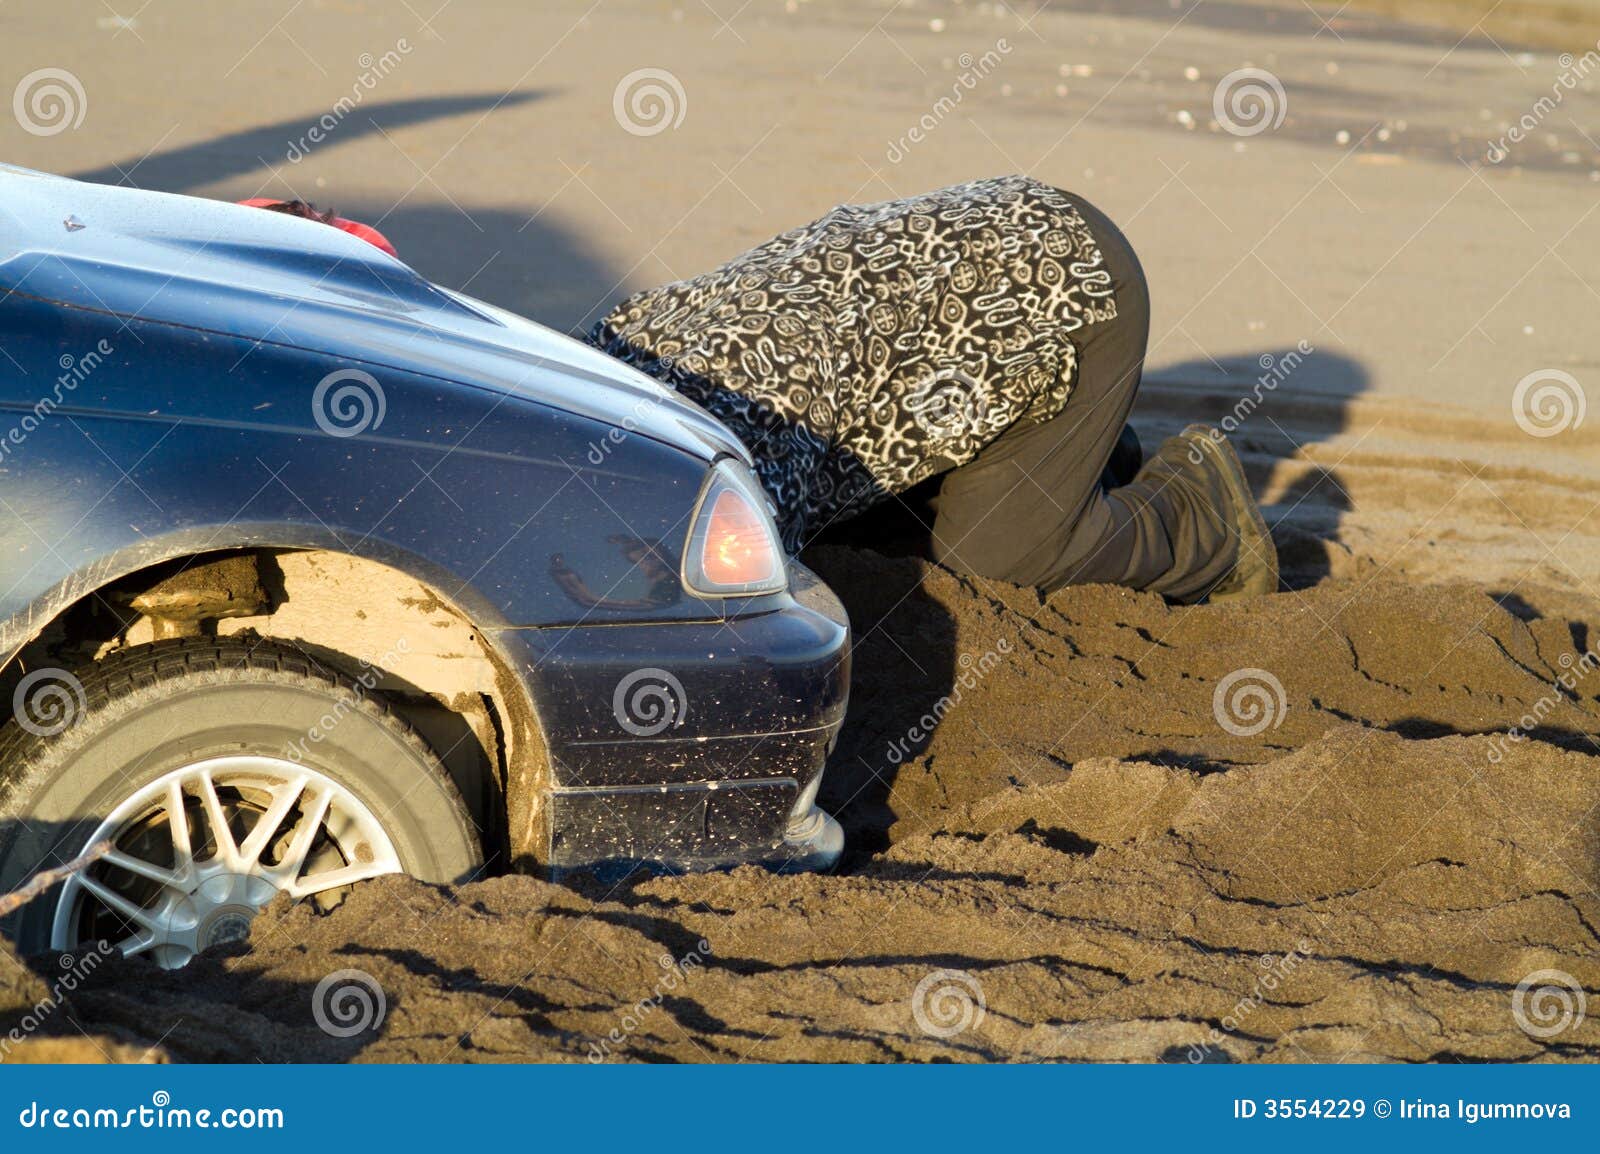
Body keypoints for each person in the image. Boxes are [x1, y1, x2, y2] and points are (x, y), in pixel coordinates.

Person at [245, 176, 1277, 602]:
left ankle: (1200, 511)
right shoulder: (539, 366)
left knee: (994, 563)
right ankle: (1075, 442)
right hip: (981, 240)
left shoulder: (657, 473)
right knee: (861, 508)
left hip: (1067, 280)